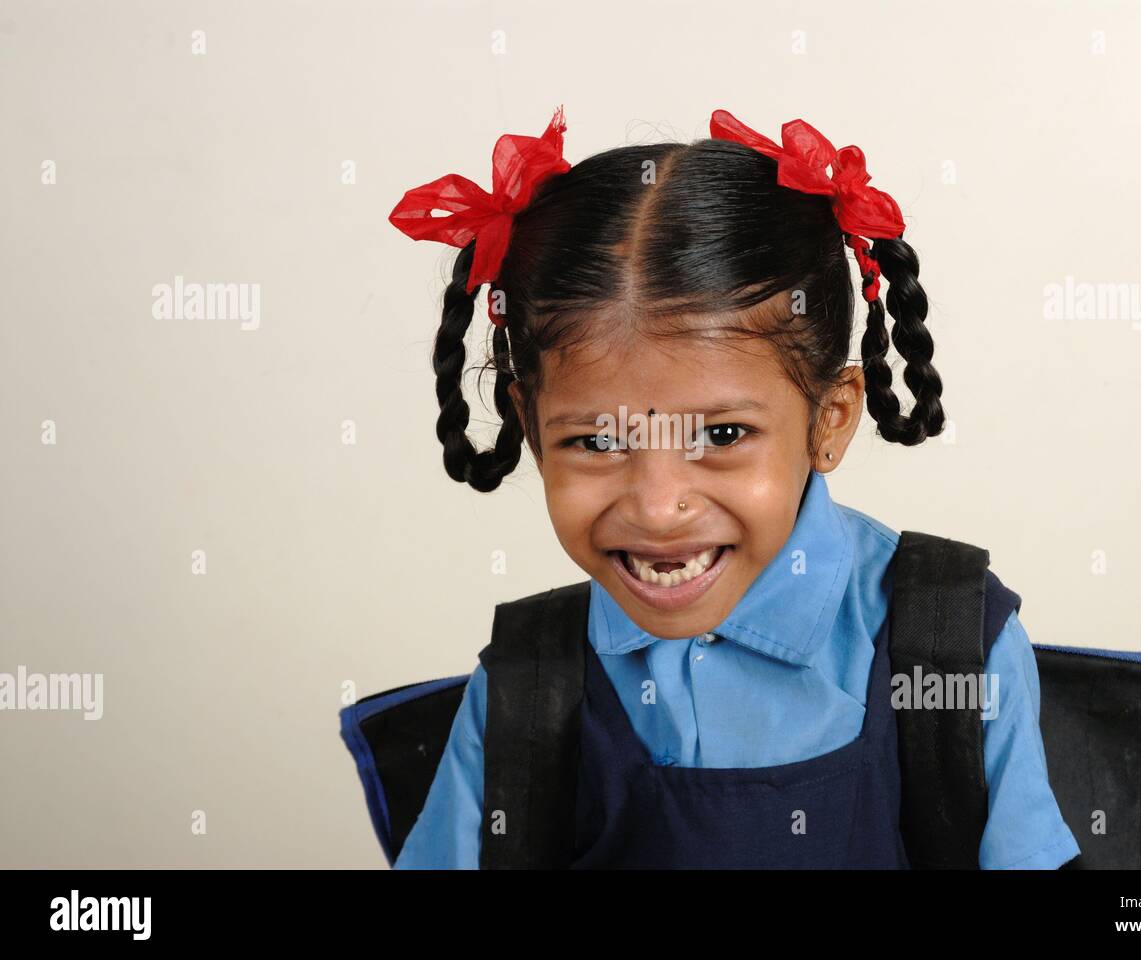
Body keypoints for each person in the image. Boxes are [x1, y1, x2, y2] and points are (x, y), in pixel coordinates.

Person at [385, 106, 1081, 869]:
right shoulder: (528, 686)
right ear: (529, 423)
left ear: (831, 419)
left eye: (720, 435)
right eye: (596, 441)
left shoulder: (950, 648)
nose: (657, 507)